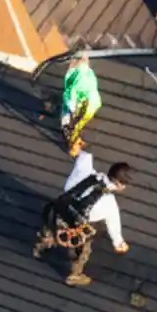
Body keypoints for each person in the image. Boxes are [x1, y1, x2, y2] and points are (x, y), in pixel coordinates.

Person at [32, 153, 131, 286]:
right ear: (119, 184)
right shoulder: (109, 203)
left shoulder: (85, 171)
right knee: (82, 251)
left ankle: (40, 247)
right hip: (74, 229)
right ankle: (74, 275)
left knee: (49, 230)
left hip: (57, 213)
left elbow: (84, 156)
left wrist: (79, 150)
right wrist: (119, 243)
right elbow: (114, 228)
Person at [61, 52, 102, 157]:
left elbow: (70, 94)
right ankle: (74, 141)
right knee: (79, 123)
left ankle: (73, 144)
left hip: (85, 105)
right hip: (93, 103)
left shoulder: (75, 77)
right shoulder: (89, 74)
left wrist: (71, 107)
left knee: (73, 126)